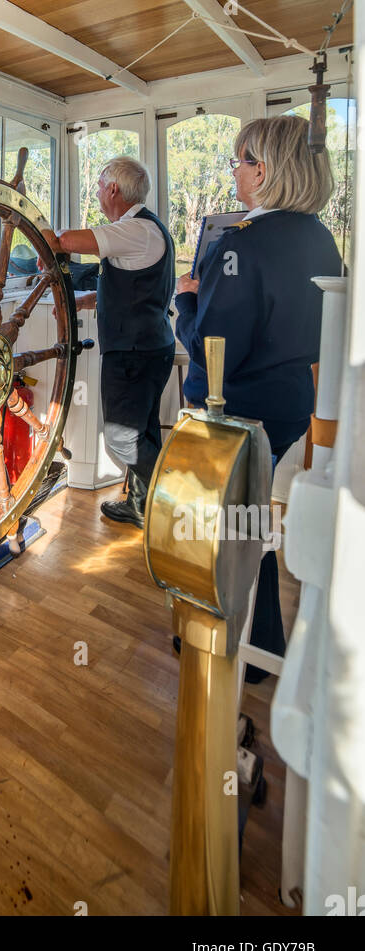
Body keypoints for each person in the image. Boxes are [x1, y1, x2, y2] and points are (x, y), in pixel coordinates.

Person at [174, 114, 342, 678]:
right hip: (294, 409)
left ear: (263, 170)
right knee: (255, 531)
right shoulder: (321, 239)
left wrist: (187, 302)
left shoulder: (242, 242)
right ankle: (262, 642)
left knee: (228, 536)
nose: (234, 171)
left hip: (238, 418)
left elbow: (213, 348)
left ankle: (230, 651)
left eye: (238, 161)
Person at [51, 156, 175, 526]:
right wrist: (82, 301)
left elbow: (67, 241)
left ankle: (177, 502)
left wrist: (48, 236)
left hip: (133, 353)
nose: (99, 194)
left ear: (113, 189)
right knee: (143, 430)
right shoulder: (146, 231)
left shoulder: (134, 228)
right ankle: (141, 505)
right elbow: (125, 287)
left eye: (100, 185)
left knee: (121, 439)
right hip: (150, 348)